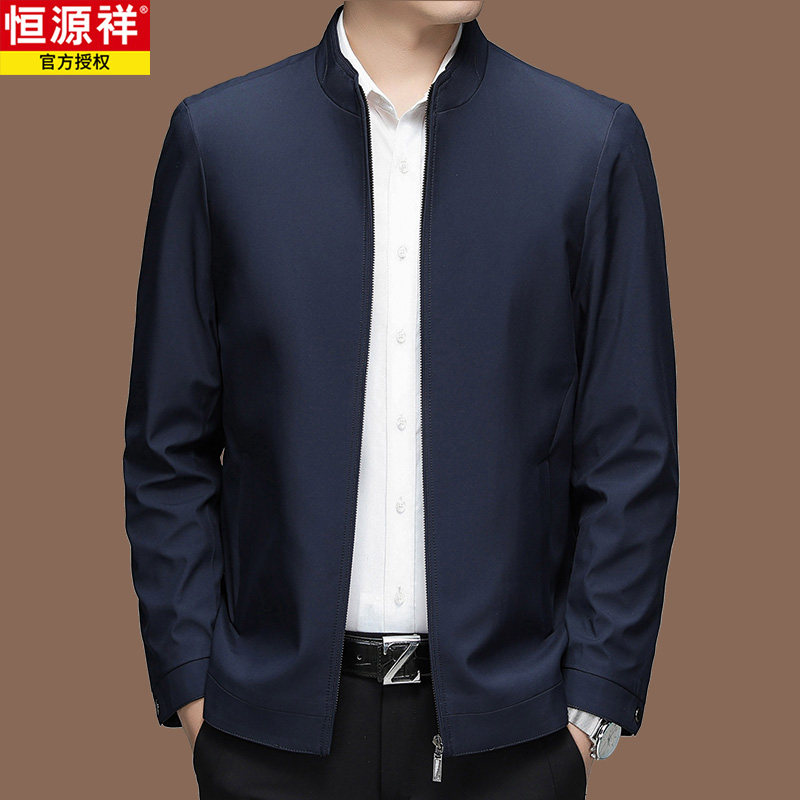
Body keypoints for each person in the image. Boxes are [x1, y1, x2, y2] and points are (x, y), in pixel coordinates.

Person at [122, 2, 678, 798]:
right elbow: (166, 447)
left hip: (512, 738)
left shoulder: (587, 144)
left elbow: (632, 455)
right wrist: (195, 691)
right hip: (268, 735)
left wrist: (589, 714)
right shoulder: (221, 140)